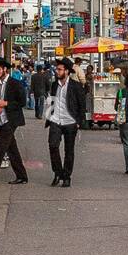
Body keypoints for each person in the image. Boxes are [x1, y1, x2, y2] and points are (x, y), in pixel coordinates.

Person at [0, 57, 28, 185]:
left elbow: (22, 102)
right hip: (1, 120)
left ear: (5, 69)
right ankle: (22, 176)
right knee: (12, 149)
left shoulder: (15, 83)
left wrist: (6, 103)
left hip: (12, 120)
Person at [46, 57, 87, 188]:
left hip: (70, 122)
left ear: (67, 71)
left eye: (59, 69)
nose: (57, 71)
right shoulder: (54, 85)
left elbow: (82, 104)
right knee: (53, 146)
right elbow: (51, 101)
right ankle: (58, 172)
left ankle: (67, 176)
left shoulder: (76, 86)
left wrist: (79, 122)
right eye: (56, 69)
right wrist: (48, 116)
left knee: (69, 151)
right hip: (55, 121)